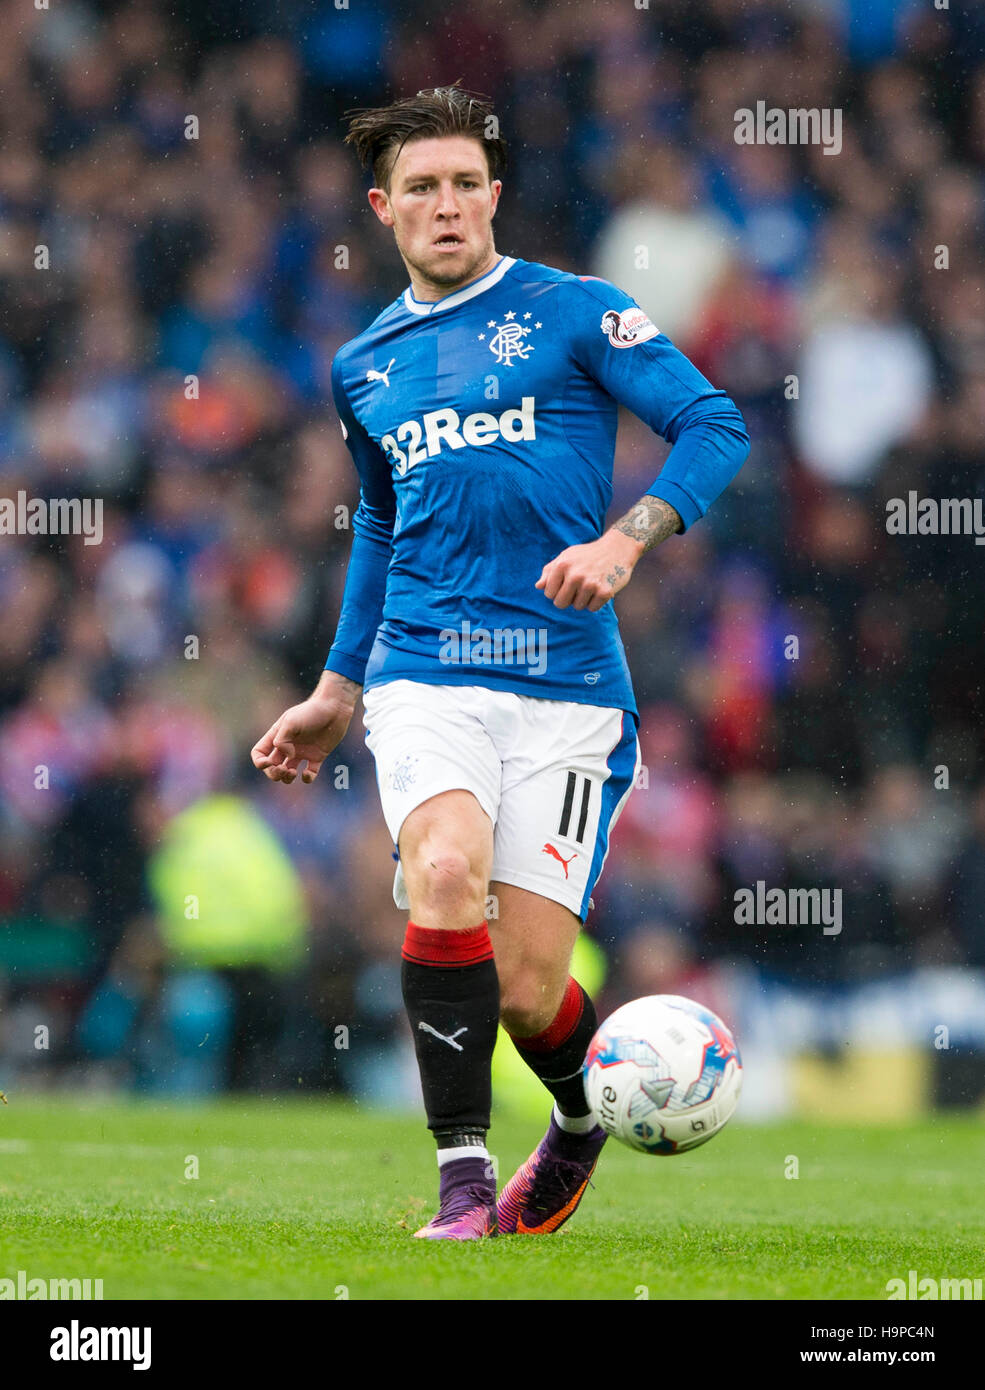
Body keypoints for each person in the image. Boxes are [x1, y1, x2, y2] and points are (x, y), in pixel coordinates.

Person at [252, 83, 749, 1240]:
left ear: (493, 195)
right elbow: (379, 523)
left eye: (465, 183)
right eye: (420, 188)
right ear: (382, 209)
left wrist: (629, 537)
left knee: (529, 988)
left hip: (567, 686)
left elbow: (714, 423)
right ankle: (462, 1187)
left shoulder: (575, 311)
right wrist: (337, 689)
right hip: (427, 669)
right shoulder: (362, 364)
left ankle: (576, 1121)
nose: (445, 205)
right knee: (442, 875)